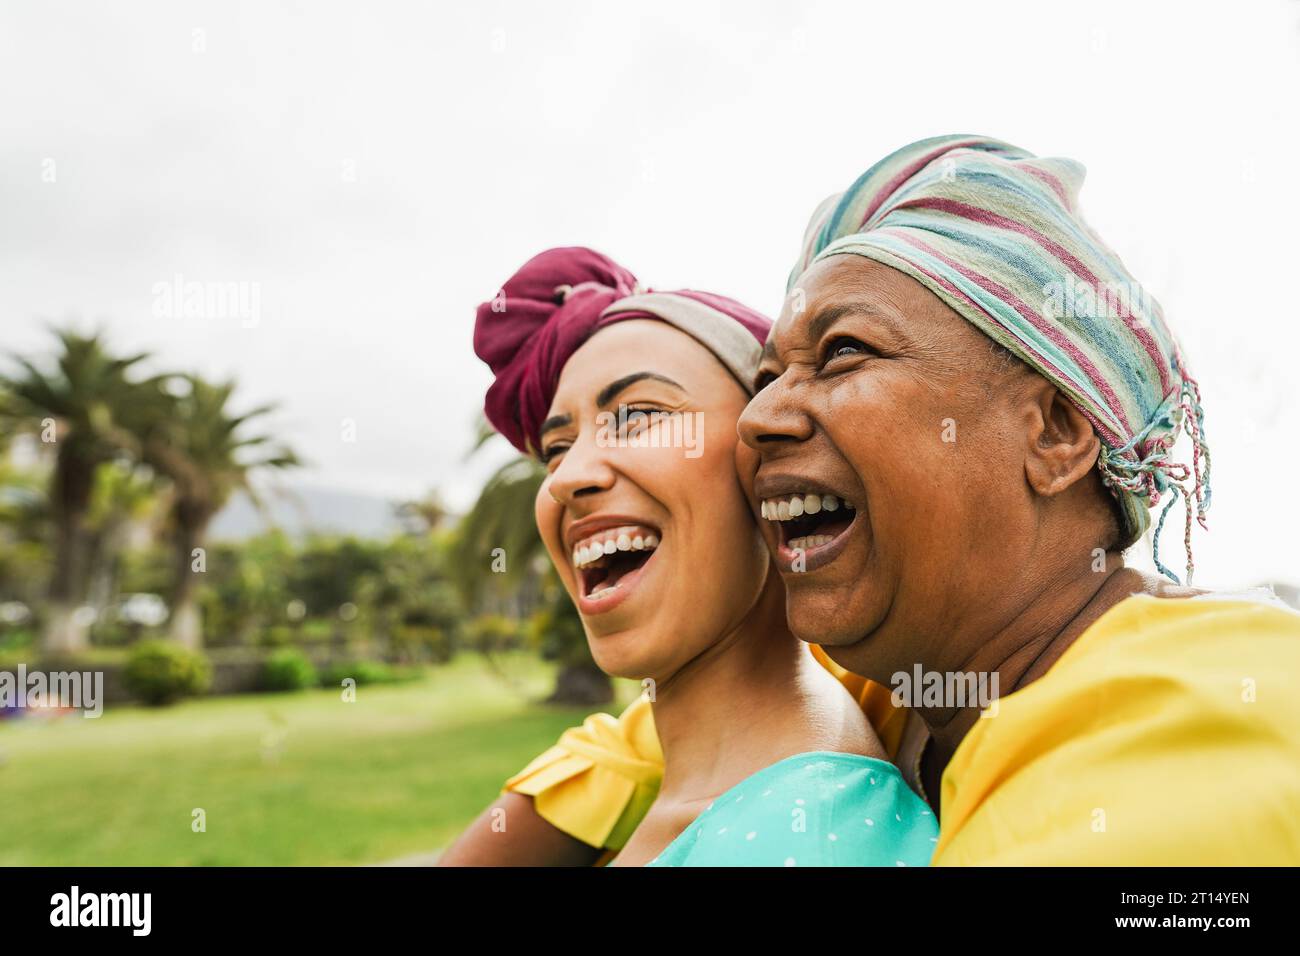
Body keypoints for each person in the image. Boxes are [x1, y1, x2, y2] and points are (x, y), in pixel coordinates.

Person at [465, 137, 1300, 866]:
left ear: (1055, 431)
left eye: (842, 353)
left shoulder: (1191, 722)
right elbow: (679, 723)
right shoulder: (912, 691)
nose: (758, 420)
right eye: (765, 380)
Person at [438, 246, 937, 866]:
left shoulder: (812, 836)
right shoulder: (705, 793)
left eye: (639, 416)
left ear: (769, 462)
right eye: (557, 446)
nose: (568, 478)